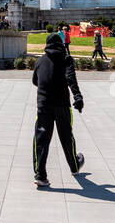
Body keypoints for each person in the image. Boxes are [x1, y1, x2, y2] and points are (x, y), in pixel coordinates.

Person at [31, 32, 85, 189]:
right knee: (67, 136)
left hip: (44, 105)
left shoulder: (40, 61)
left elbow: (35, 81)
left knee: (41, 139)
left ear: (46, 45)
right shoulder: (66, 59)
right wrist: (78, 97)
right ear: (61, 45)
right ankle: (74, 166)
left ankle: (40, 175)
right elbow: (71, 78)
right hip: (62, 105)